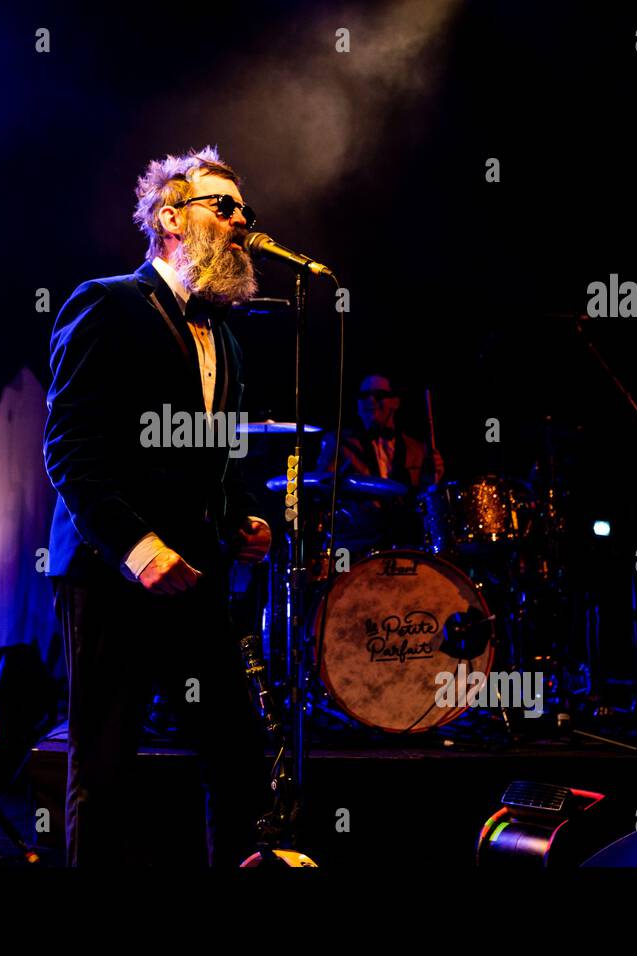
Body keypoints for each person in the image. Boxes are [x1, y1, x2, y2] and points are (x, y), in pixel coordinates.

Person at [43, 146, 272, 866]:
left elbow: (216, 454)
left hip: (194, 577)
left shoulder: (228, 336)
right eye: (223, 206)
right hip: (113, 571)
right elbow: (70, 448)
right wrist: (138, 548)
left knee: (235, 749)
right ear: (170, 217)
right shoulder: (107, 303)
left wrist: (239, 517)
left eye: (244, 210)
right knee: (105, 759)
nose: (240, 222)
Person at [316, 372, 444, 551]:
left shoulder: (418, 449)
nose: (370, 400)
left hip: (405, 543)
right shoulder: (338, 442)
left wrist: (432, 482)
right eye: (364, 396)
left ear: (396, 402)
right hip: (355, 544)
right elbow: (321, 489)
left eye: (379, 395)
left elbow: (423, 502)